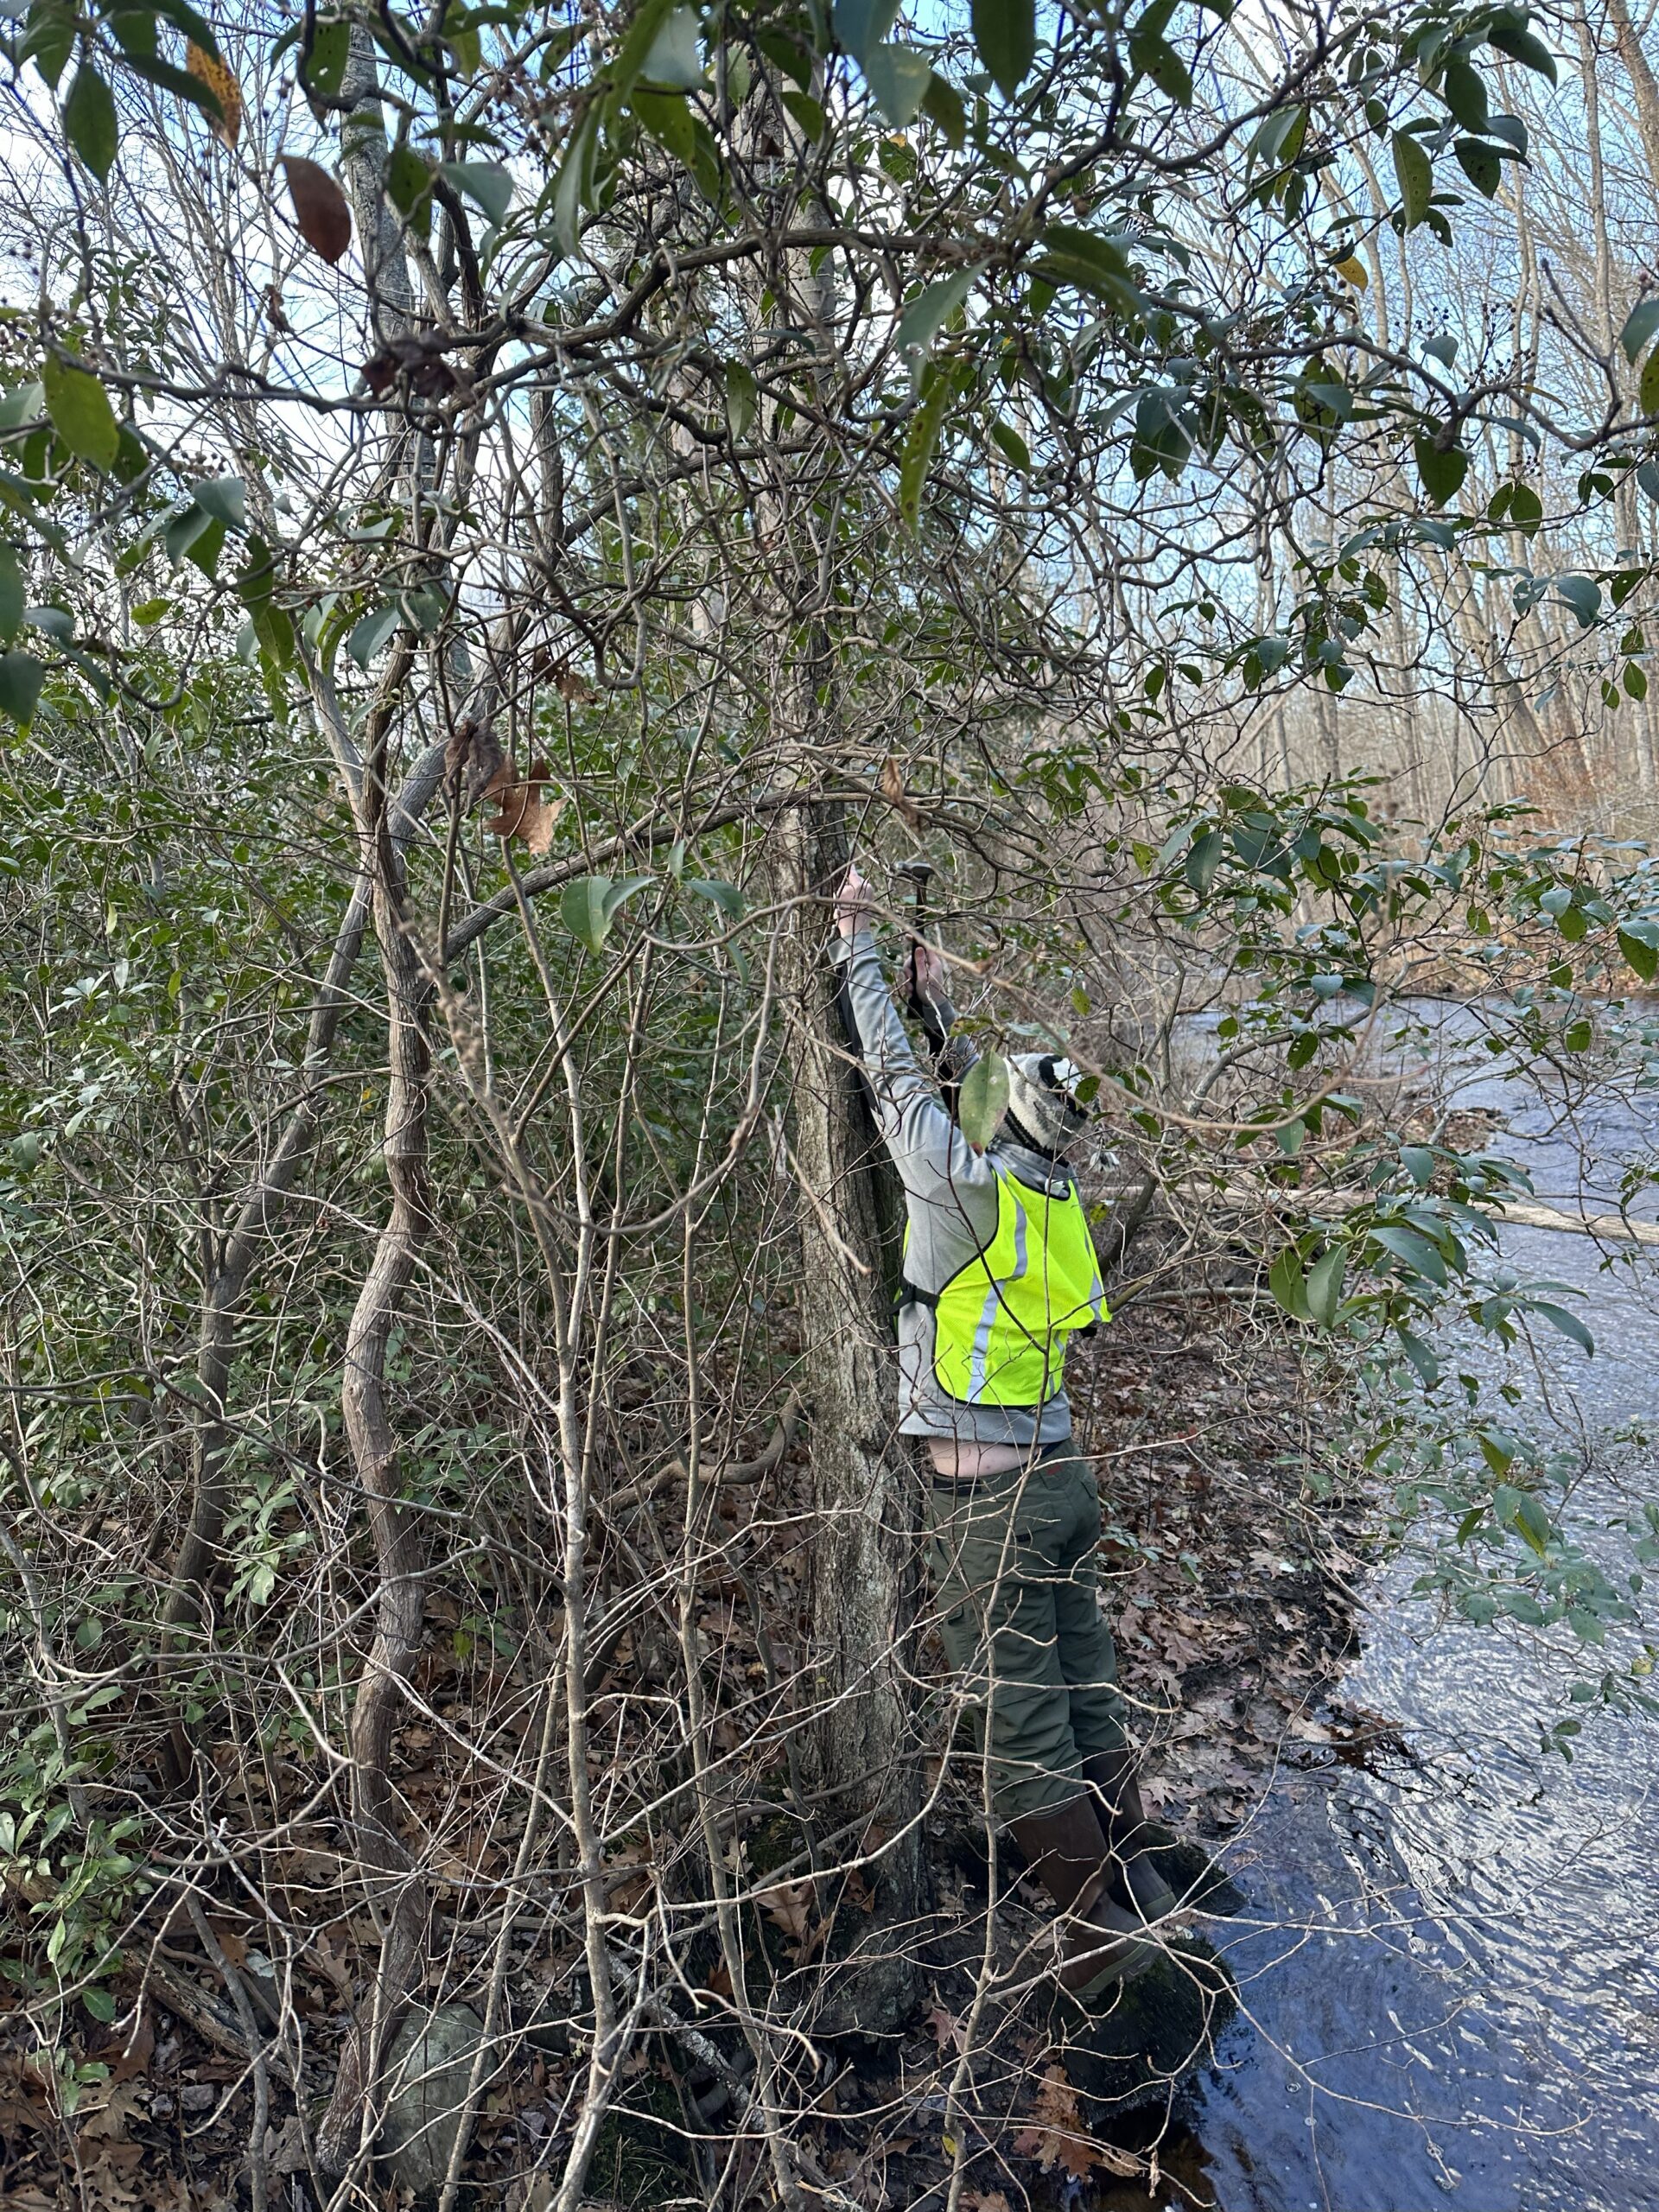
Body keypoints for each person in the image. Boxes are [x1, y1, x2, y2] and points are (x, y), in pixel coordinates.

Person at [830, 861, 1179, 2008]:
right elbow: (970, 1096)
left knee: (1023, 1721)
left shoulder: (956, 1185)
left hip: (993, 1507)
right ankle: (1132, 1879)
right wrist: (940, 1006)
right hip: (1062, 1480)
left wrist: (856, 944)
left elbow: (895, 1081)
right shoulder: (1052, 1198)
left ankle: (1092, 1940)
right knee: (1086, 1688)